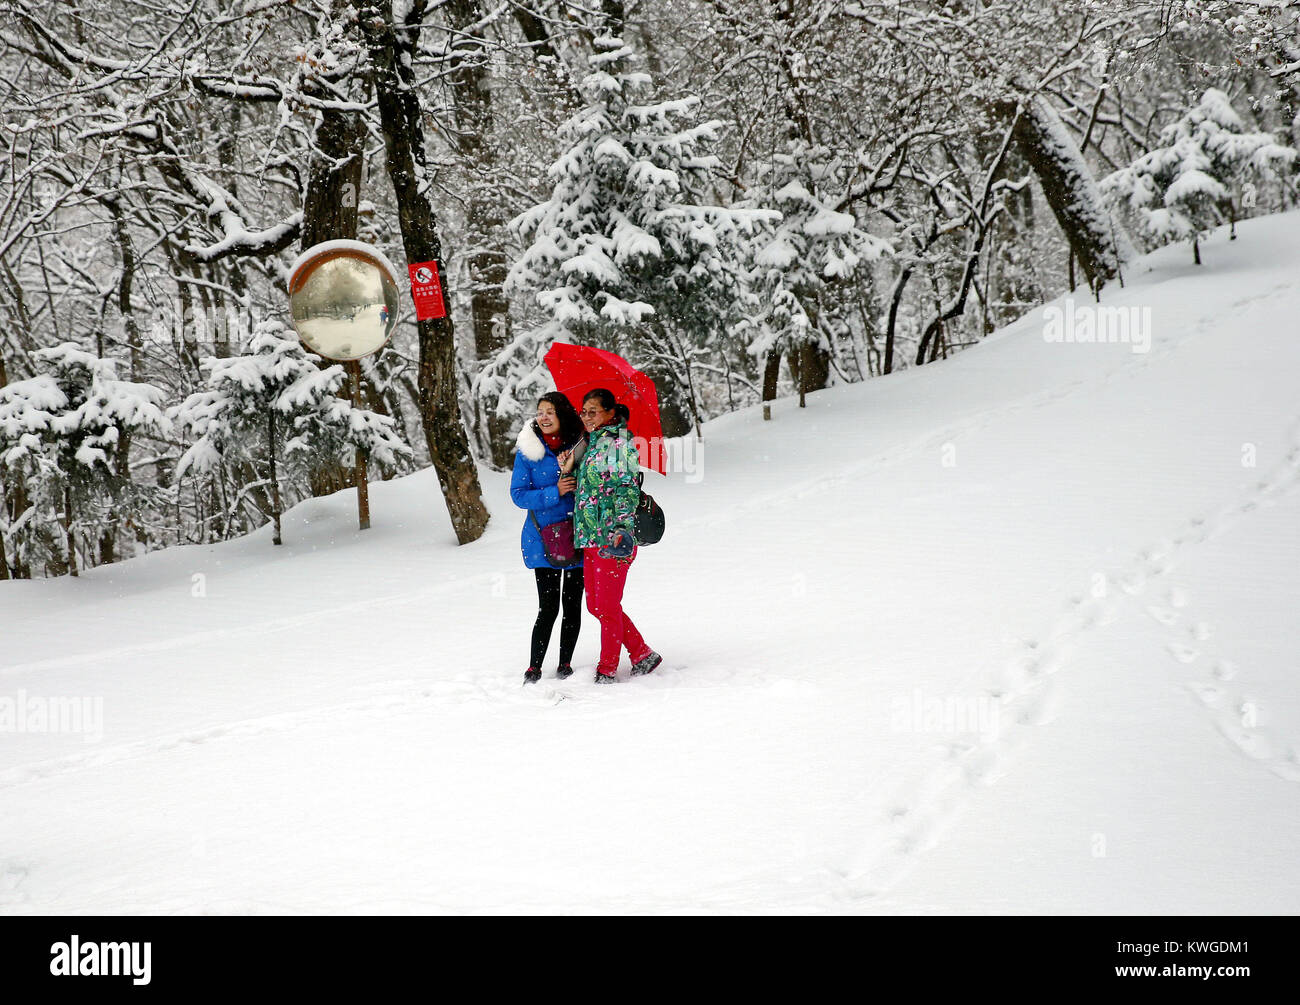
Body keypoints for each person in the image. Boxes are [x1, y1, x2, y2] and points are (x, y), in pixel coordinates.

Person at [571, 388, 662, 683]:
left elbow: (626, 491)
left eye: (593, 411)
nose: (586, 416)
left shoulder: (618, 445)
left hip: (612, 537)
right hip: (591, 535)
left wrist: (621, 529)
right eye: (583, 411)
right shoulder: (592, 444)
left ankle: (607, 669)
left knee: (607, 607)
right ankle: (641, 653)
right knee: (596, 606)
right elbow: (594, 490)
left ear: (610, 413)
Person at [510, 392, 586, 684]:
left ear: (562, 415)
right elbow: (518, 495)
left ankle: (565, 662)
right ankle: (534, 667)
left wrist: (576, 476)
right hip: (543, 539)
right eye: (540, 411)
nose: (543, 417)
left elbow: (594, 488)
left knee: (573, 604)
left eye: (550, 411)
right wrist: (556, 491)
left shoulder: (581, 447)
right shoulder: (528, 452)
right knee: (549, 605)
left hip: (578, 534)